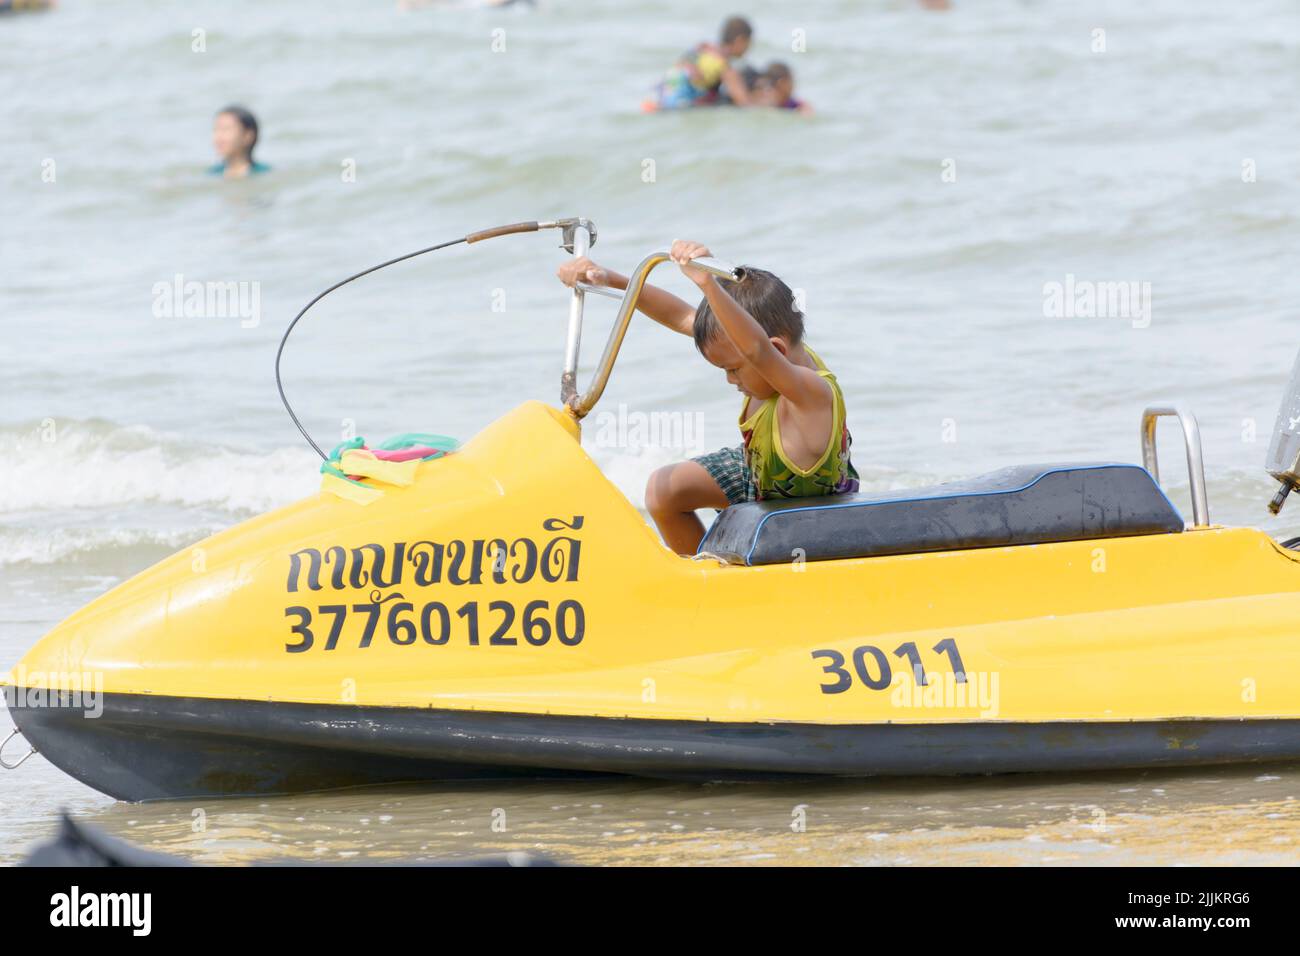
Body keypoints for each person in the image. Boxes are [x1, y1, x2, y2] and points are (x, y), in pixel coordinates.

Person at [557, 240, 858, 555]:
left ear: (777, 350)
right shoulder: (765, 350)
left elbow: (756, 348)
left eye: (733, 369)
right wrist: (613, 279)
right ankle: (701, 574)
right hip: (758, 476)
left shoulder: (810, 393)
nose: (729, 379)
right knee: (662, 491)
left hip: (809, 509)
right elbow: (681, 317)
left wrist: (708, 284)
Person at [644, 16, 755, 111]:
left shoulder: (701, 49)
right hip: (679, 108)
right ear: (740, 41)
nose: (749, 48)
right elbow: (744, 103)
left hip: (657, 100)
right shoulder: (724, 66)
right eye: (749, 43)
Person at [208, 106, 270, 179]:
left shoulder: (264, 173)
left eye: (226, 129)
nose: (218, 137)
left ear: (248, 136)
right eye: (216, 129)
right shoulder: (212, 174)